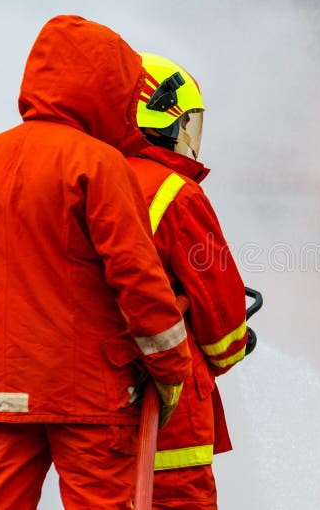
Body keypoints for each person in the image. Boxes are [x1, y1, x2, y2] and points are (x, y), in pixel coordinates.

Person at [0, 16, 193, 509]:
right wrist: (170, 367)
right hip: (89, 395)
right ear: (107, 89)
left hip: (3, 390)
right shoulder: (99, 164)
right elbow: (136, 277)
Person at [127, 52, 248, 509]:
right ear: (170, 120)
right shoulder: (177, 194)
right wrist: (232, 348)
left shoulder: (89, 176)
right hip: (169, 408)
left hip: (94, 412)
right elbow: (220, 307)